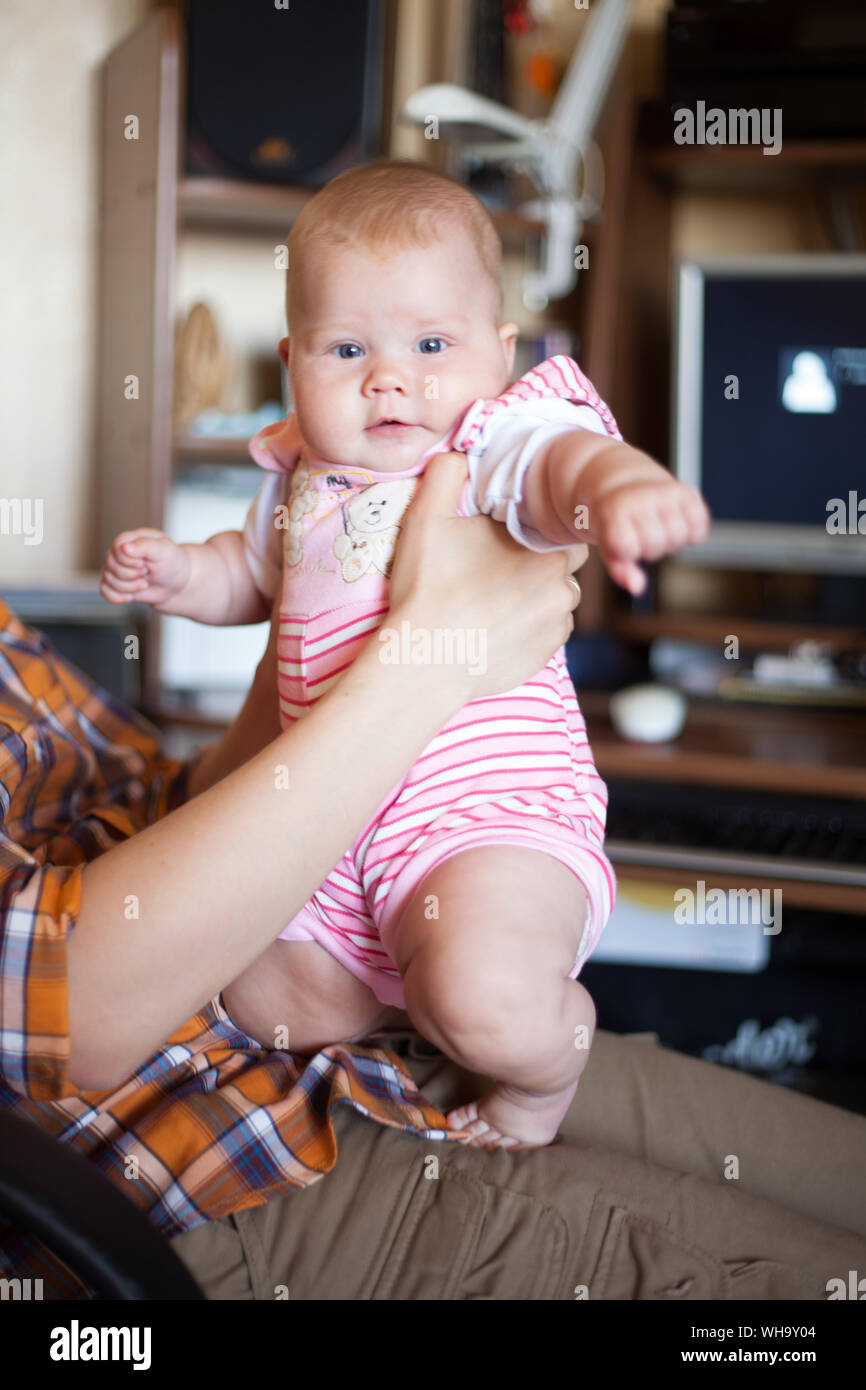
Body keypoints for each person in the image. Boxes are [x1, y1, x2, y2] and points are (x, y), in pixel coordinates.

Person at [1, 471, 865, 1299]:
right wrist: (429, 655)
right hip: (200, 1165)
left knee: (837, 1172)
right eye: (345, 348)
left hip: (375, 1034)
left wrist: (337, 609)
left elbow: (167, 804)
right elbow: (60, 1014)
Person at [99, 159, 710, 1149]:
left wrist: (618, 487)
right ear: (294, 359)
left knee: (481, 1001)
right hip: (328, 830)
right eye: (346, 348)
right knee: (261, 1004)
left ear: (497, 353)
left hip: (478, 823)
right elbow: (250, 577)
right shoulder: (297, 472)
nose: (390, 378)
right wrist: (180, 574)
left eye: (431, 342)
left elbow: (562, 468)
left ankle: (545, 1064)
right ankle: (392, 997)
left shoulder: (486, 441)